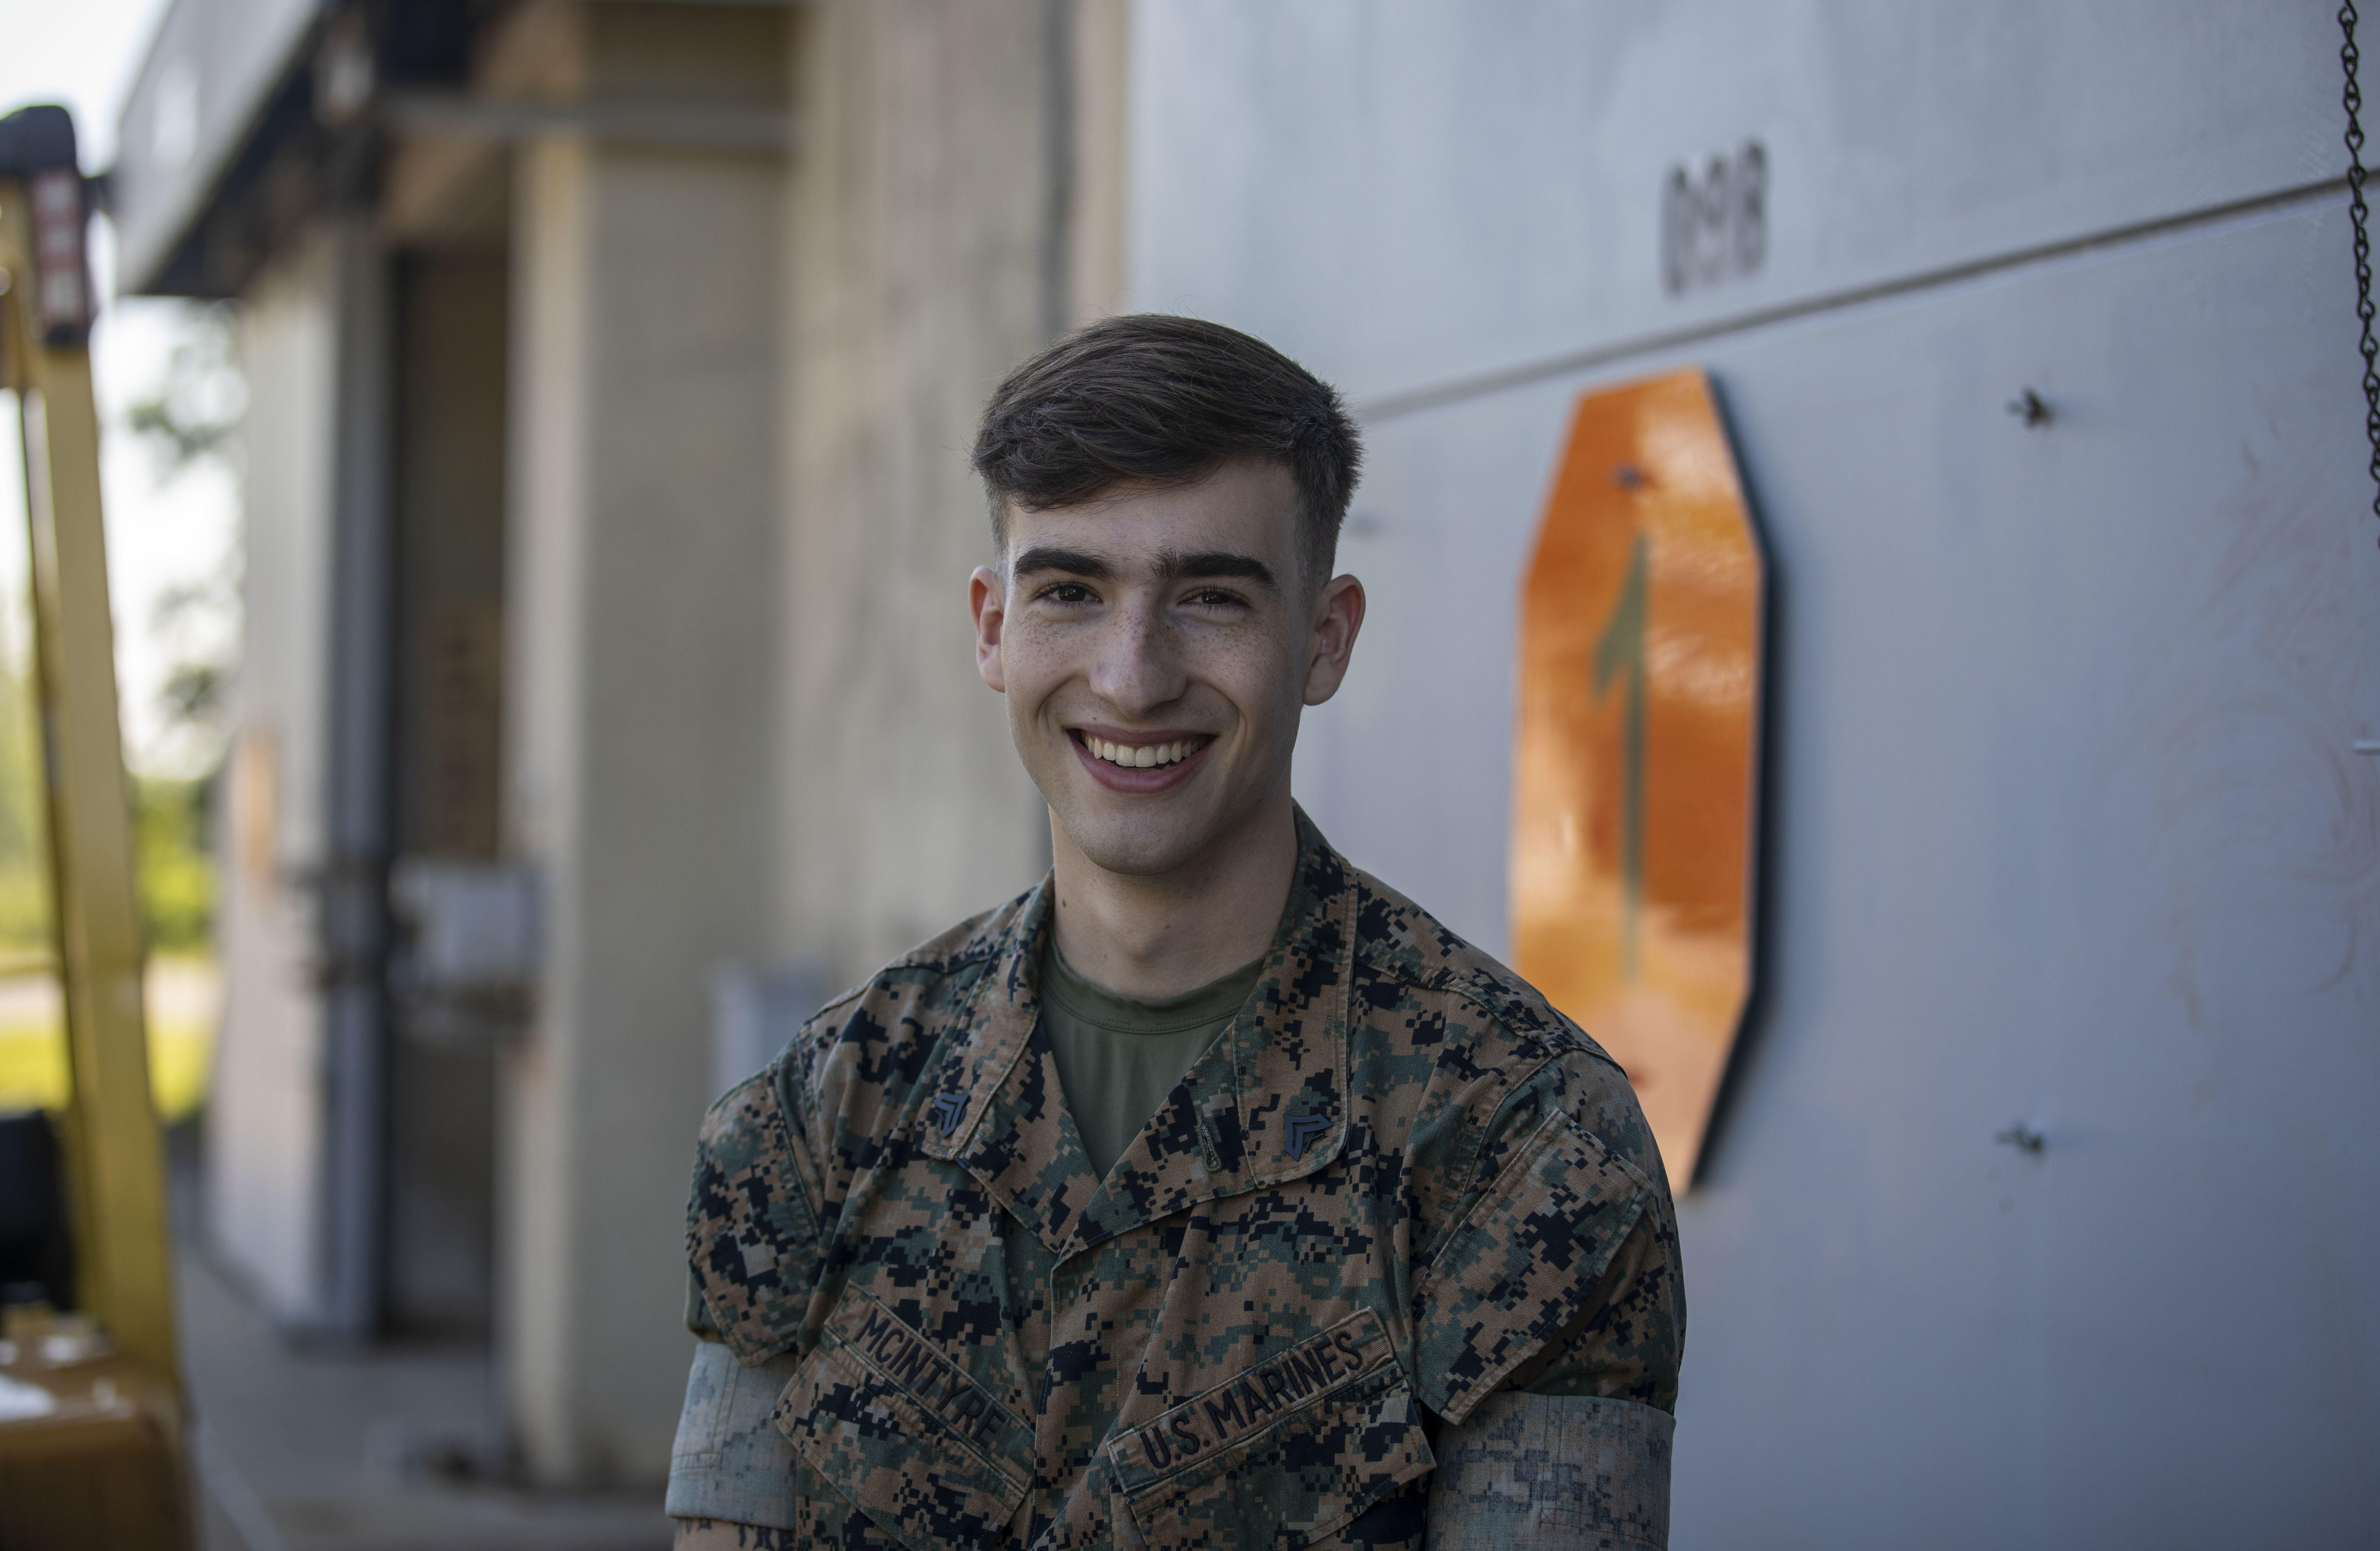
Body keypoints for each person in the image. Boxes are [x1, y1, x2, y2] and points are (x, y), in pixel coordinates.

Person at [667, 316, 1683, 1550]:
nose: (1133, 676)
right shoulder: (820, 1119)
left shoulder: (1522, 1145)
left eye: (1208, 597)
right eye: (1070, 592)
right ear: (992, 627)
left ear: (1324, 637)